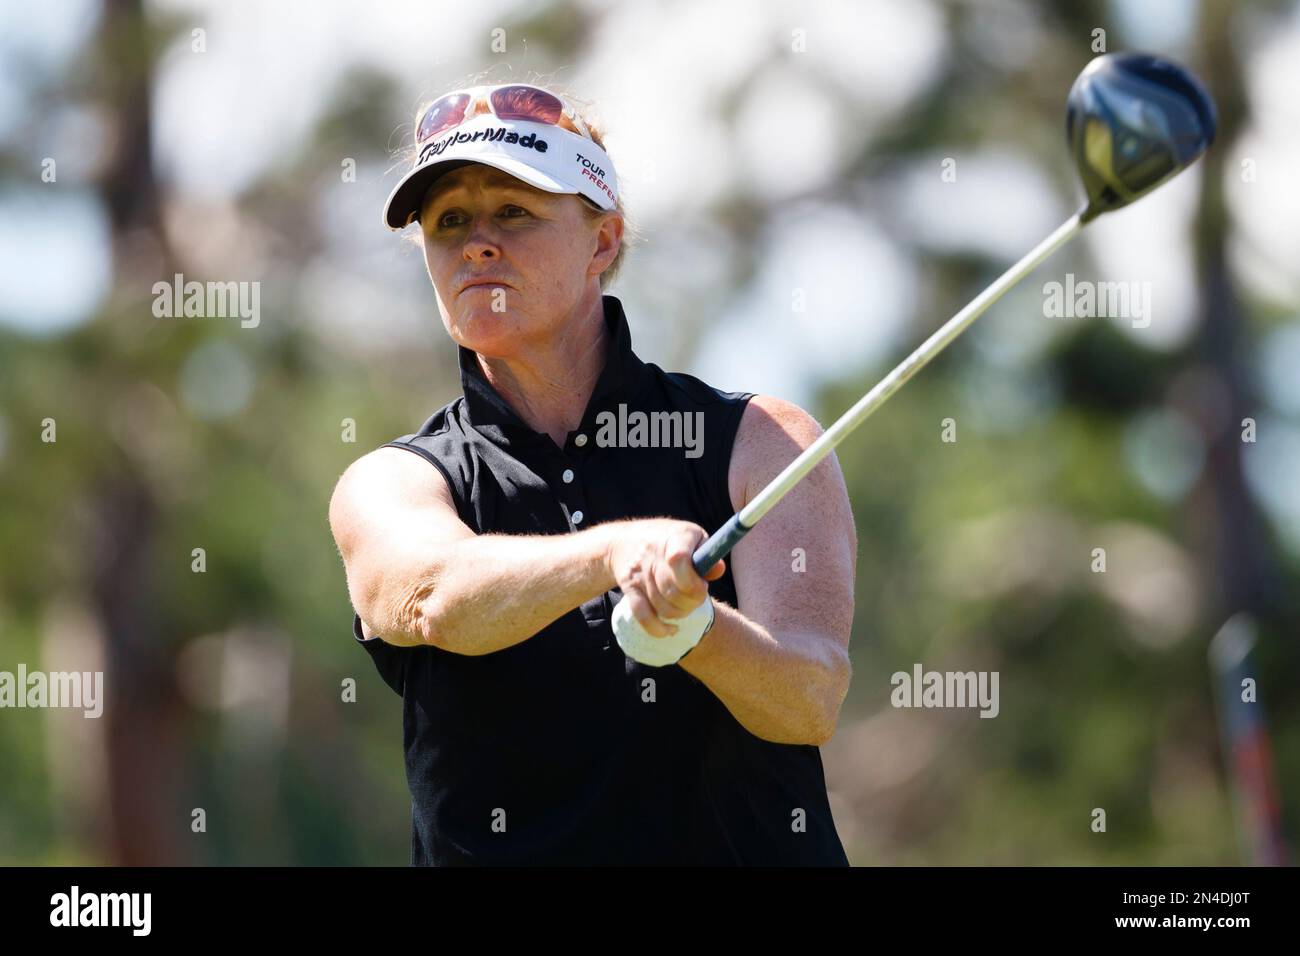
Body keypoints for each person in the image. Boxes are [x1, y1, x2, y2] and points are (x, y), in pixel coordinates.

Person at [329, 80, 857, 865]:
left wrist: (694, 629)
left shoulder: (760, 442)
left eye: (514, 212)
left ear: (602, 243)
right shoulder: (394, 482)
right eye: (449, 223)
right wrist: (614, 557)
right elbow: (434, 596)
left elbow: (808, 698)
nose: (477, 243)